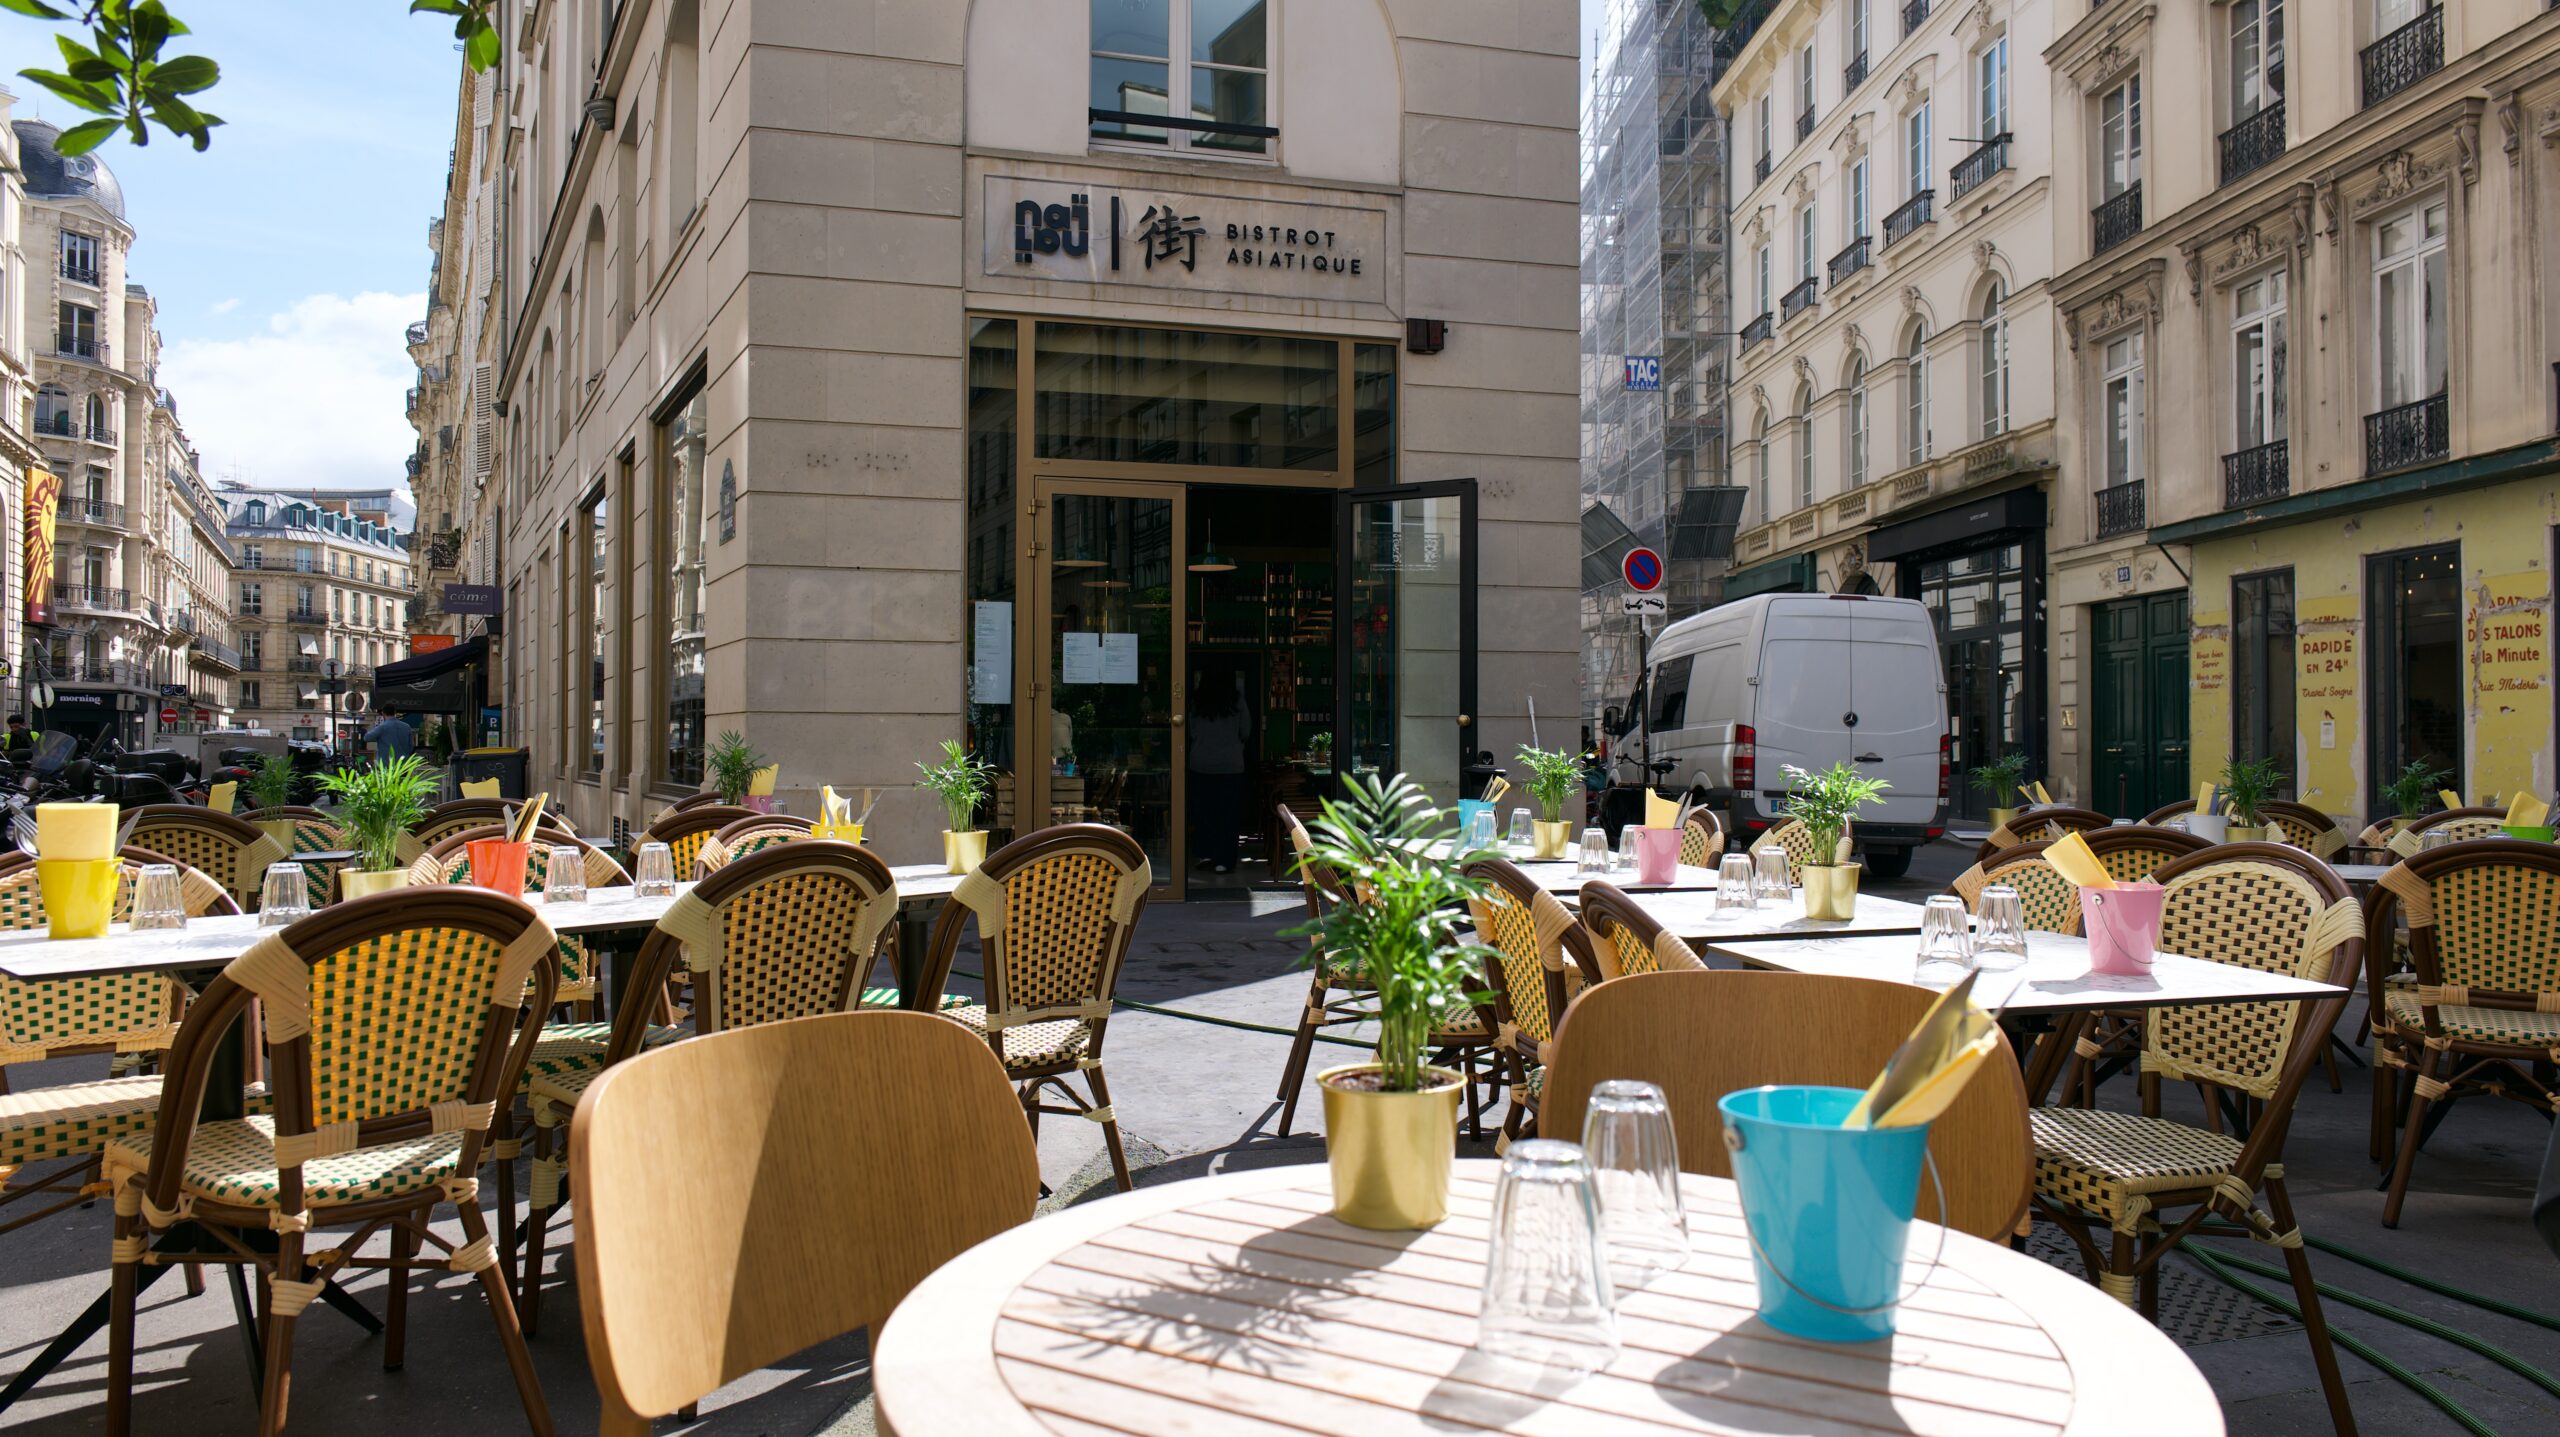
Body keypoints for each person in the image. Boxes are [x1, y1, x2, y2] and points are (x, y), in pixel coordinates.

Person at [1186, 669, 1251, 875]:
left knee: (1204, 812)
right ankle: (1224, 860)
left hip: (1201, 763)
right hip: (1230, 765)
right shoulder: (1237, 701)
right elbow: (1246, 730)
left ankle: (1205, 853)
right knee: (1228, 814)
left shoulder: (1197, 701)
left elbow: (1191, 731)